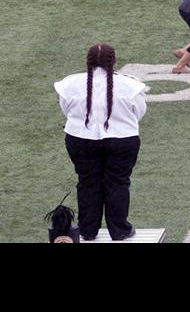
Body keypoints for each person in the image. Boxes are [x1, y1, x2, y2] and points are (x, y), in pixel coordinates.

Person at [54, 43, 147, 241]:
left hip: (80, 139)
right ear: (113, 60)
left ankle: (87, 230)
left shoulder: (70, 84)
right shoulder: (130, 85)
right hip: (122, 140)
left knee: (87, 182)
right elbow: (139, 112)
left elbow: (66, 110)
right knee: (118, 182)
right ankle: (120, 229)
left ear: (87, 61)